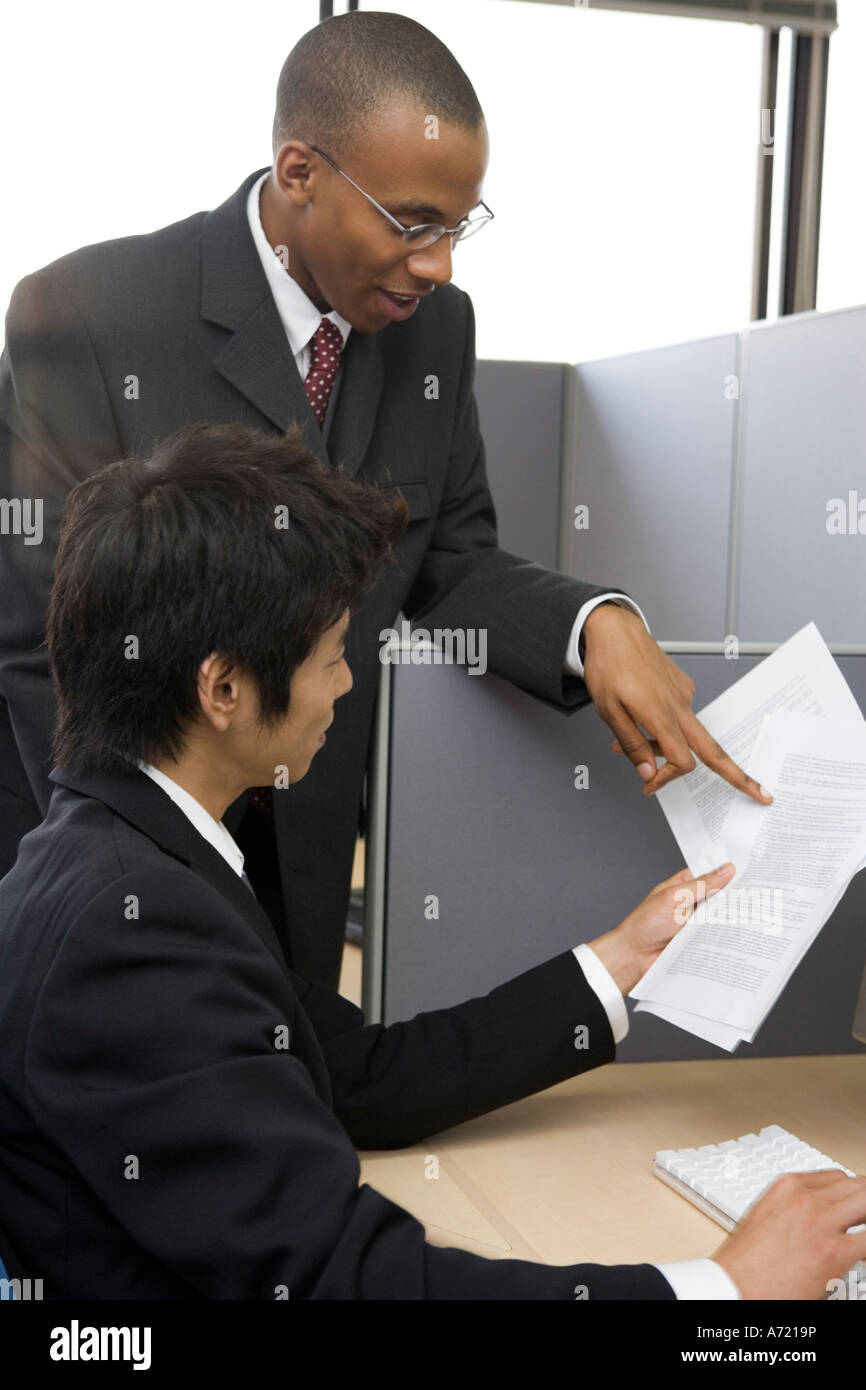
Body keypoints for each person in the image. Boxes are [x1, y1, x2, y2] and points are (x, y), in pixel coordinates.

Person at [0, 422, 861, 1301]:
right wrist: (720, 1291)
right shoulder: (131, 931)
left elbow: (358, 1079)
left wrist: (622, 960)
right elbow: (346, 1283)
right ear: (223, 690)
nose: (344, 685)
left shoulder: (139, 853)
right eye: (333, 656)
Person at [0, 12, 772, 987]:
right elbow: (39, 648)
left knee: (309, 1110)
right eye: (411, 223)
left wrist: (593, 624)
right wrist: (140, 869)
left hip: (308, 857)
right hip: (109, 869)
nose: (438, 263)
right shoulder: (88, 314)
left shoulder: (433, 332)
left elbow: (447, 564)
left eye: (458, 226)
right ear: (298, 174)